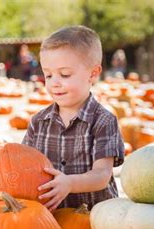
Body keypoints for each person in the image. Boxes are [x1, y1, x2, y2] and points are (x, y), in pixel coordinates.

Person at [22, 25, 125, 211]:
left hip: (94, 219)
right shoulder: (37, 122)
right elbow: (23, 165)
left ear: (93, 74)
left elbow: (102, 175)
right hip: (51, 219)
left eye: (65, 74)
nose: (55, 83)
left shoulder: (104, 121)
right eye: (48, 75)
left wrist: (70, 183)